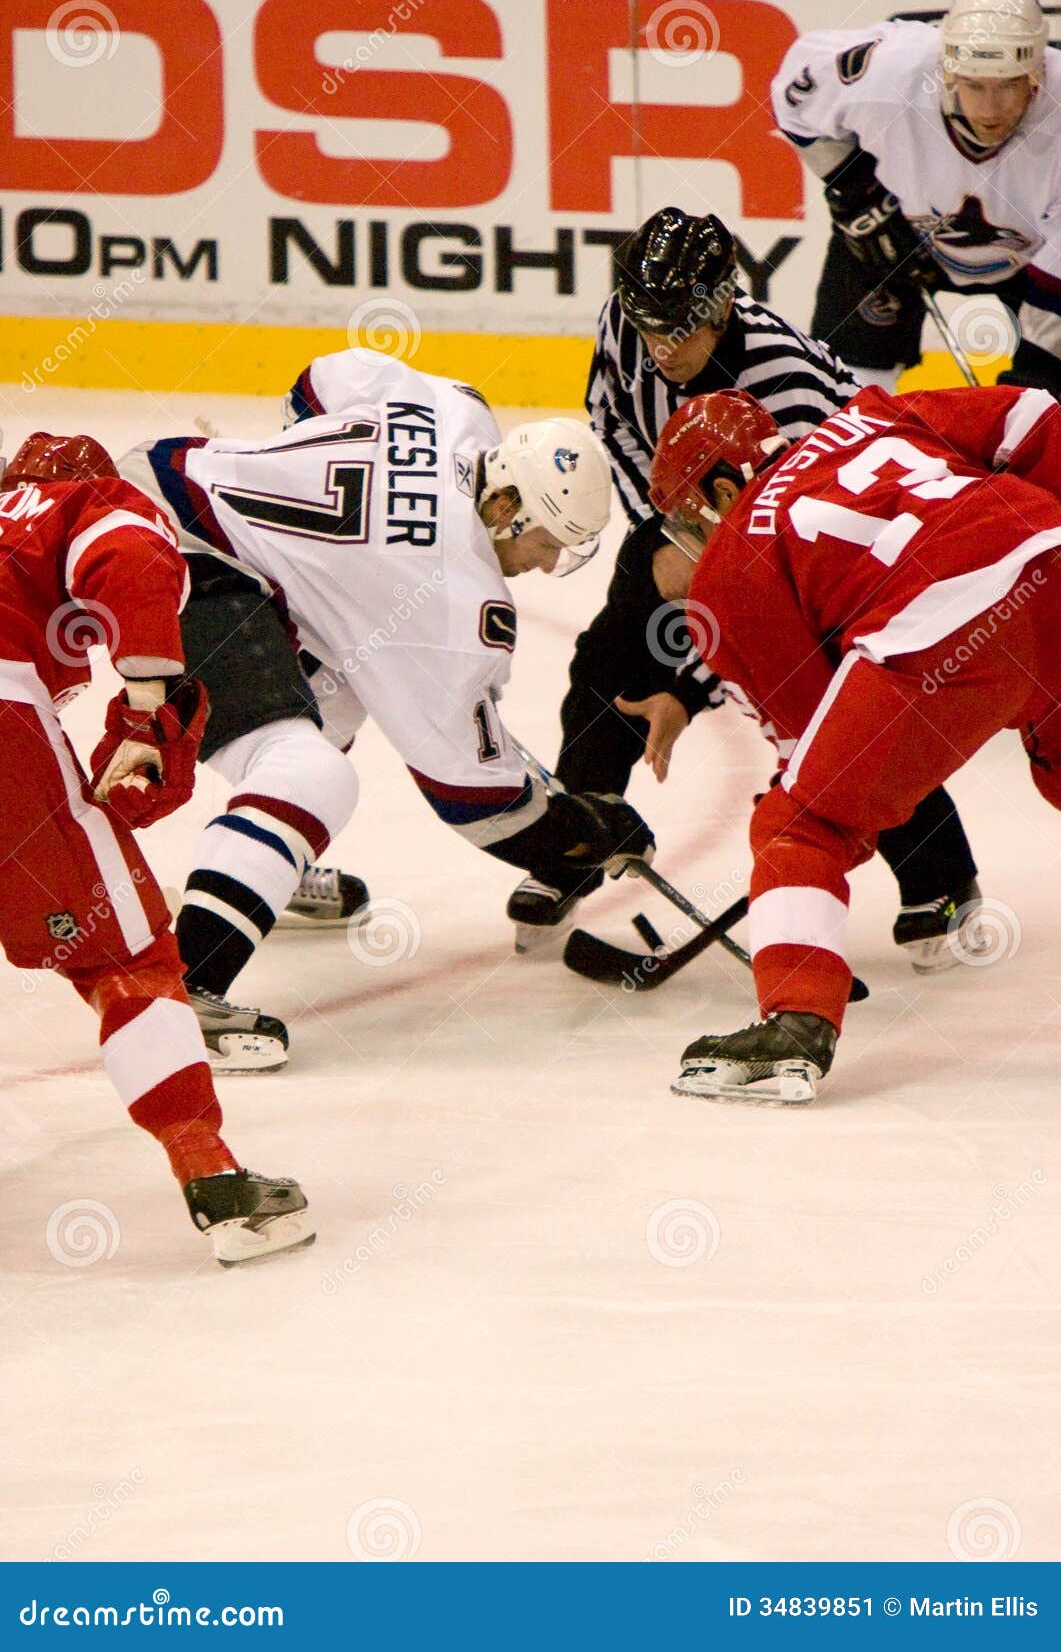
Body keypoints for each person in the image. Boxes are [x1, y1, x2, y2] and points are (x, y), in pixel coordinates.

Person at [121, 350, 652, 1070]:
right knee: (309, 774)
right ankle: (181, 993)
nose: (549, 564)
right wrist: (579, 834)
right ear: (503, 508)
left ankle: (266, 868)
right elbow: (472, 796)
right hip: (162, 560)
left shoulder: (458, 412)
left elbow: (319, 381)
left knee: (339, 684)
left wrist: (300, 475)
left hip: (155, 488)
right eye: (547, 542)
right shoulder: (451, 605)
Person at [505, 205, 981, 968]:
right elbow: (614, 420)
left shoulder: (785, 388)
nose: (660, 349)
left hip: (830, 552)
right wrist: (668, 531)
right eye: (648, 329)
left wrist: (688, 687)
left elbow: (782, 569)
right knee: (606, 661)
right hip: (696, 518)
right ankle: (576, 843)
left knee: (838, 709)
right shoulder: (631, 320)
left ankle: (942, 879)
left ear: (723, 305)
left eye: (678, 330)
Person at [646, 381, 1061, 1103]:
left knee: (799, 824)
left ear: (722, 488)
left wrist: (819, 813)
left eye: (687, 518)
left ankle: (795, 1022)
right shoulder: (870, 411)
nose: (689, 541)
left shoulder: (730, 567)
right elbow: (1032, 416)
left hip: (942, 626)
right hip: (1051, 556)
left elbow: (810, 732)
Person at [0, 429, 313, 1263]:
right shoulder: (85, 500)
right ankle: (211, 1173)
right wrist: (147, 706)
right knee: (124, 958)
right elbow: (130, 553)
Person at [772, 0, 1061, 396]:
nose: (989, 109)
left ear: (1036, 74)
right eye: (974, 85)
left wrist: (1034, 386)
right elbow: (793, 100)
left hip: (1037, 255)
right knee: (841, 388)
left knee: (1043, 403)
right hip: (895, 228)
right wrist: (857, 193)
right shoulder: (890, 71)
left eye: (1007, 85)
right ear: (947, 71)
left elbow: (1060, 282)